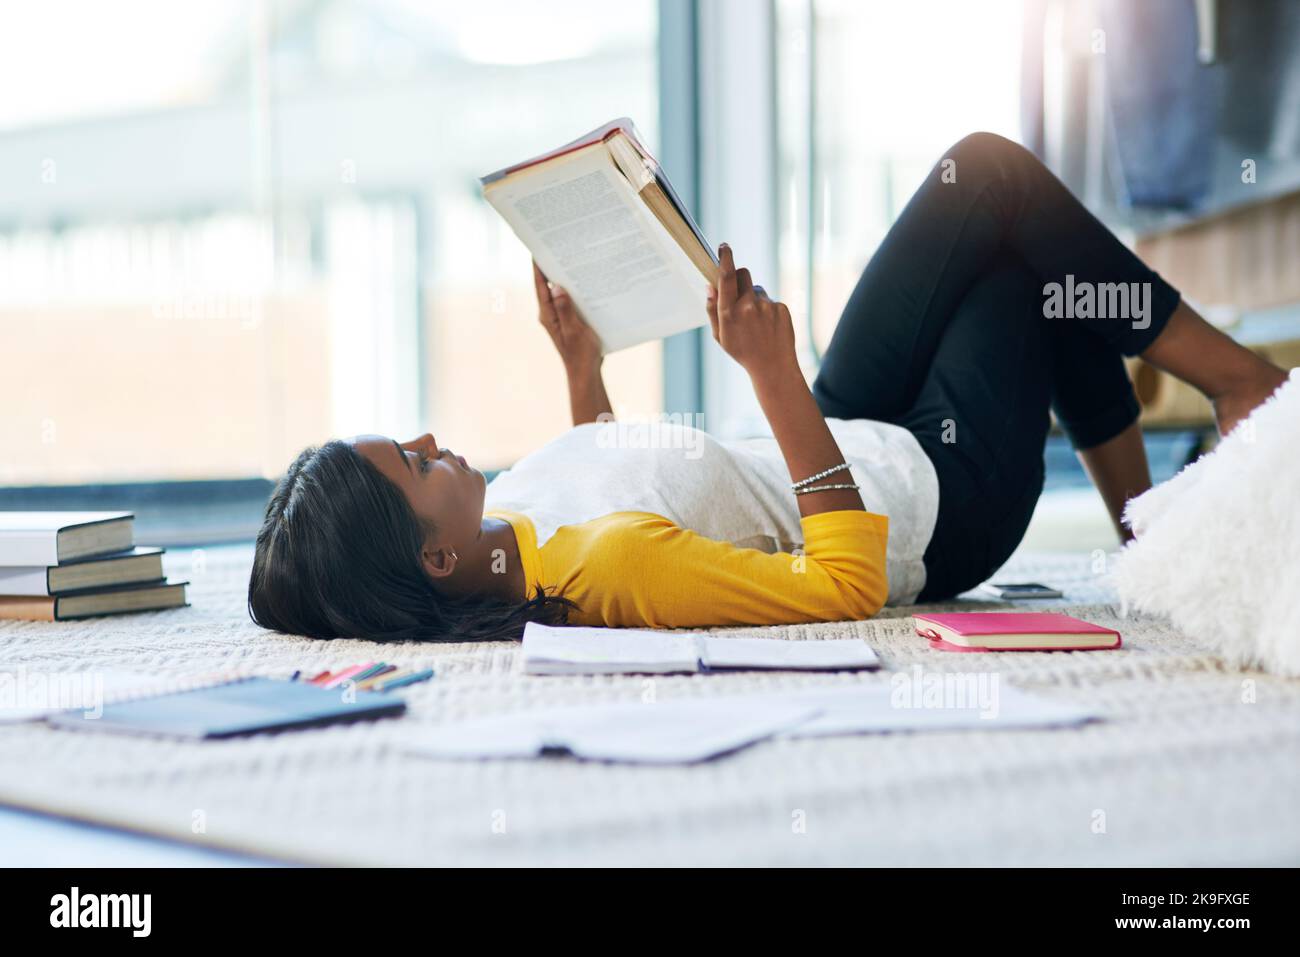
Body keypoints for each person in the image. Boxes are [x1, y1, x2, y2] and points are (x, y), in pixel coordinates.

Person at [248, 132, 1286, 642]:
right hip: (935, 504)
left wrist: (583, 372)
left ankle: (1154, 528)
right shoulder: (609, 575)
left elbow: (617, 489)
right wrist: (771, 372)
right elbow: (841, 588)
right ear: (430, 554)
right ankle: (1241, 390)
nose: (433, 441)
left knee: (983, 183)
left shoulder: (507, 538)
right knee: (1017, 255)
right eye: (417, 462)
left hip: (849, 434)